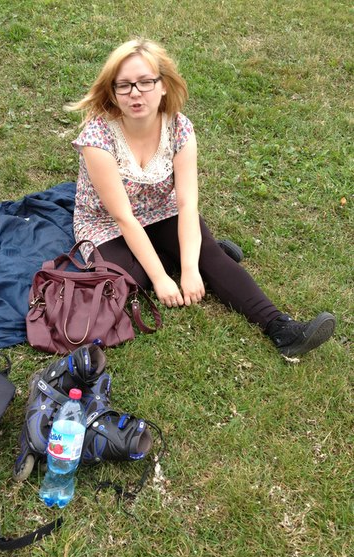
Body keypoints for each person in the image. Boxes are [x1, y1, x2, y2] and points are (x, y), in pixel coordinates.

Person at [67, 38, 335, 357]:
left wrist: (192, 269)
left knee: (207, 257)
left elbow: (186, 204)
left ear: (163, 85)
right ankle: (182, 259)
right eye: (124, 85)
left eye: (145, 82)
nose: (135, 93)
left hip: (162, 211)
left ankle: (282, 329)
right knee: (123, 283)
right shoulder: (97, 138)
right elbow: (123, 217)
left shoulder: (179, 128)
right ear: (112, 92)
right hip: (107, 224)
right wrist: (161, 278)